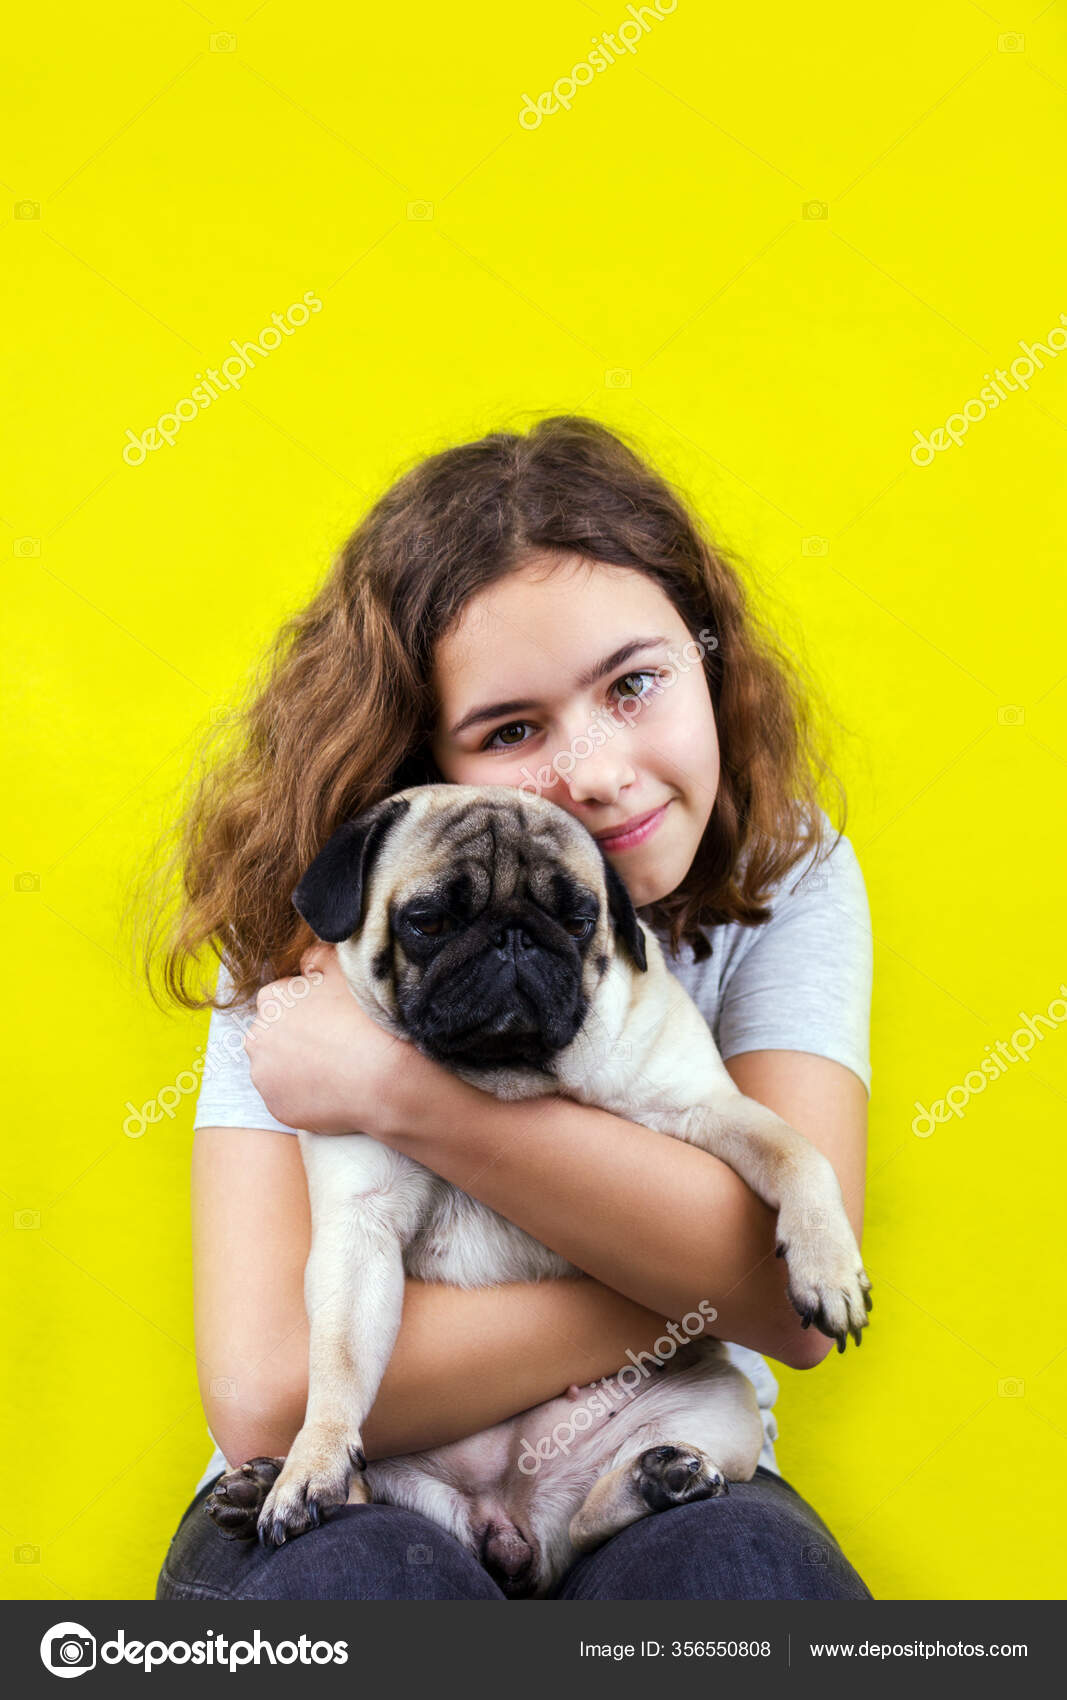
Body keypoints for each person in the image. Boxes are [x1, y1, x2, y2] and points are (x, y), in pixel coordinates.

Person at [141, 414, 874, 1600]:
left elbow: (796, 1300)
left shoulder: (787, 870)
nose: (594, 771)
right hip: (364, 1474)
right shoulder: (331, 908)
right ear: (416, 757)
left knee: (738, 1578)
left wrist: (398, 1093)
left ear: (709, 660)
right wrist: (692, 1275)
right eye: (511, 728)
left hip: (634, 1449)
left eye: (634, 682)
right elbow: (270, 1394)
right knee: (359, 1588)